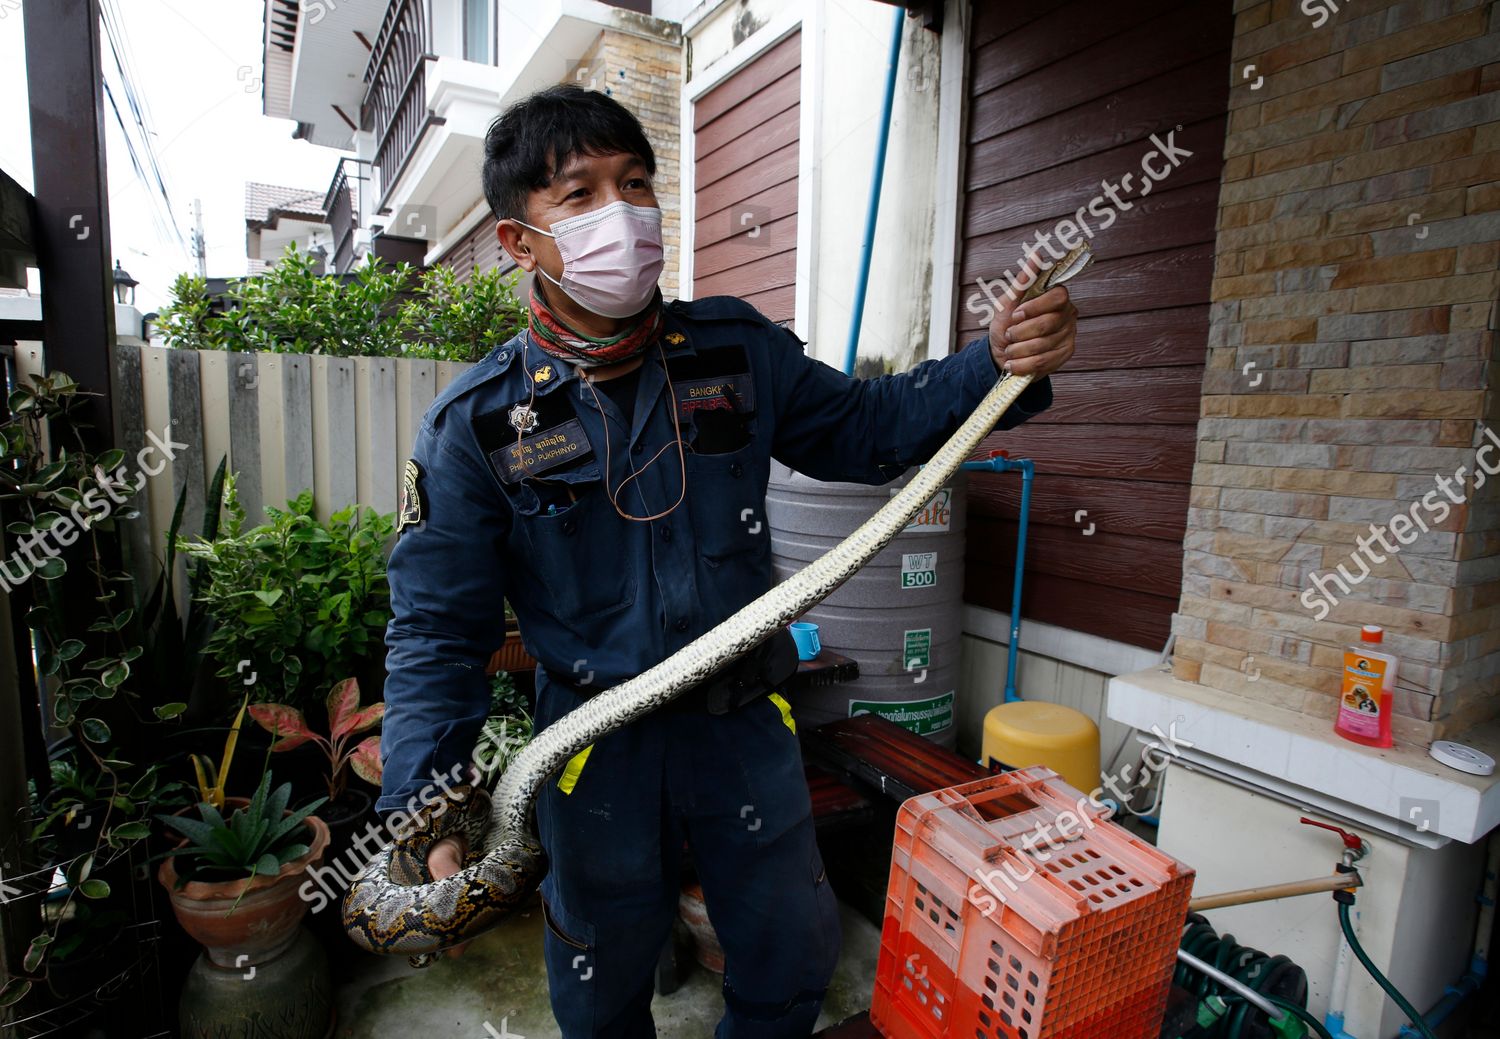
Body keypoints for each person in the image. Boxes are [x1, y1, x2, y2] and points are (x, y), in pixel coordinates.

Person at [378, 84, 1077, 1039]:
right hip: (593, 755)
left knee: (791, 959)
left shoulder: (735, 353)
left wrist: (995, 363)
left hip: (745, 726)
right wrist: (427, 807)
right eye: (578, 196)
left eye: (634, 185)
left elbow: (870, 430)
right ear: (518, 242)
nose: (619, 215)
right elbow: (436, 633)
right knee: (599, 986)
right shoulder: (478, 427)